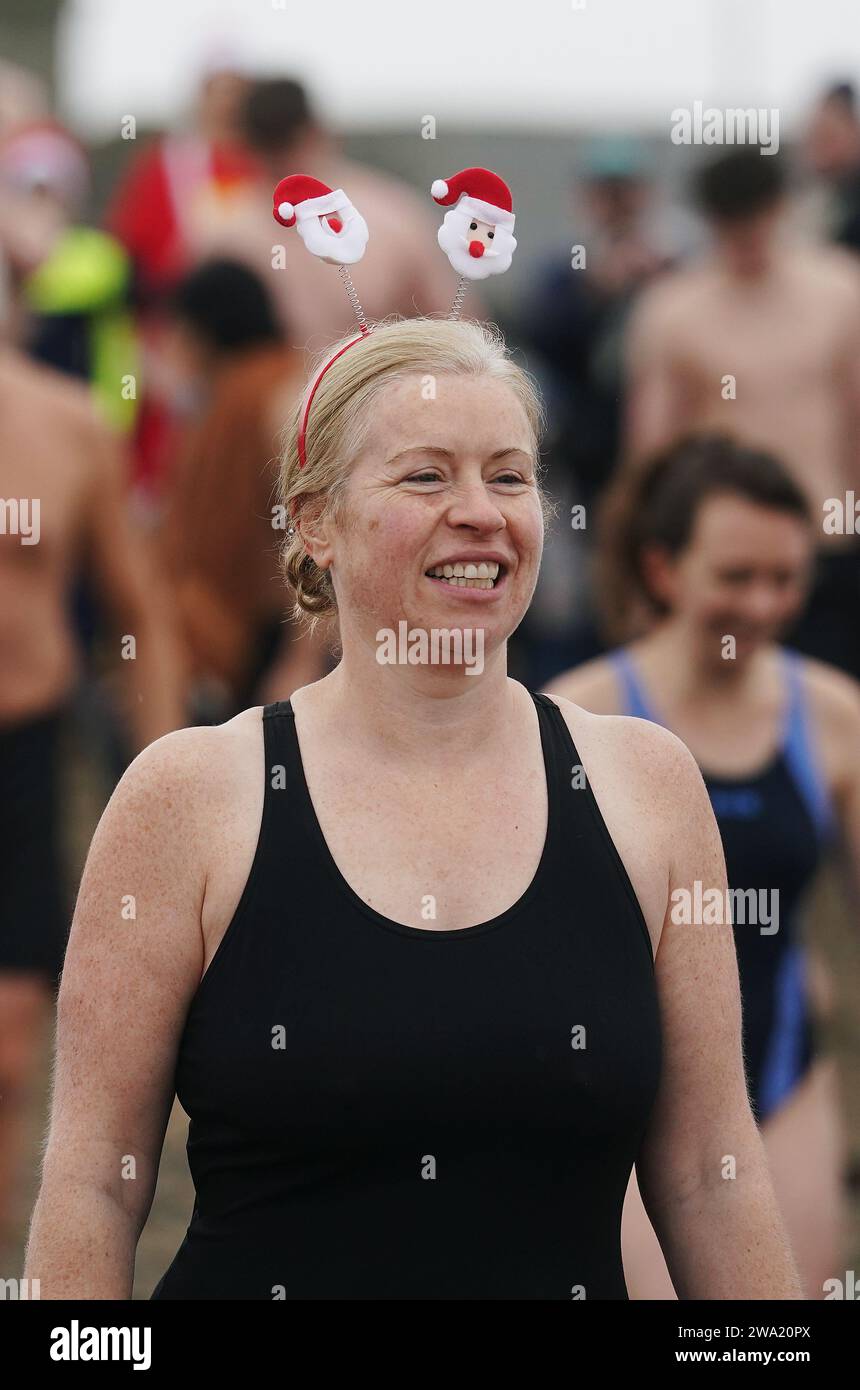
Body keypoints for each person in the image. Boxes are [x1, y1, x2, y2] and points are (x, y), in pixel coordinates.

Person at [25, 318, 801, 1300]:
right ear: (315, 522)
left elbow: (708, 1177)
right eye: (426, 476)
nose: (479, 512)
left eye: (509, 477)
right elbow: (94, 1182)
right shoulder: (189, 796)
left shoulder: (644, 785)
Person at [545, 434, 860, 1298]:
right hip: (624, 1095)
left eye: (784, 578)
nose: (762, 604)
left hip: (783, 1079)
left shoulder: (832, 717)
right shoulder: (574, 719)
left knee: (770, 1341)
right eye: (735, 577)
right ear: (662, 569)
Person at [0, 243, 185, 1255]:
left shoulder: (70, 426)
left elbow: (138, 606)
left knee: (11, 1044)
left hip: (25, 741)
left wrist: (166, 763)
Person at [625, 147, 860, 681]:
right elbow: (652, 451)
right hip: (719, 551)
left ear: (780, 210)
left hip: (826, 539)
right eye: (732, 227)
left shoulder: (840, 292)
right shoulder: (674, 311)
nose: (747, 241)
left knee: (834, 700)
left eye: (755, 222)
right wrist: (643, 558)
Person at [158, 258, 328, 717]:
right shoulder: (227, 397)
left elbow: (320, 532)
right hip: (242, 635)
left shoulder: (278, 396)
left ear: (201, 332)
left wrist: (301, 660)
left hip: (279, 633)